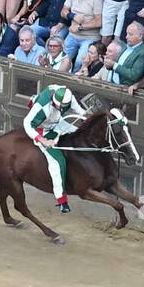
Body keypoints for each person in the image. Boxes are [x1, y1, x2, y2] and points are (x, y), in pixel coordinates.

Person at [22, 82, 87, 213]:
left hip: (57, 123)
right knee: (57, 161)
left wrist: (87, 118)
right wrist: (42, 140)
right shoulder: (43, 106)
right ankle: (61, 199)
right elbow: (27, 123)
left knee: (81, 137)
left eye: (63, 106)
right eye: (58, 105)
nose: (60, 107)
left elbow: (80, 112)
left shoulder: (69, 97)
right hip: (43, 130)